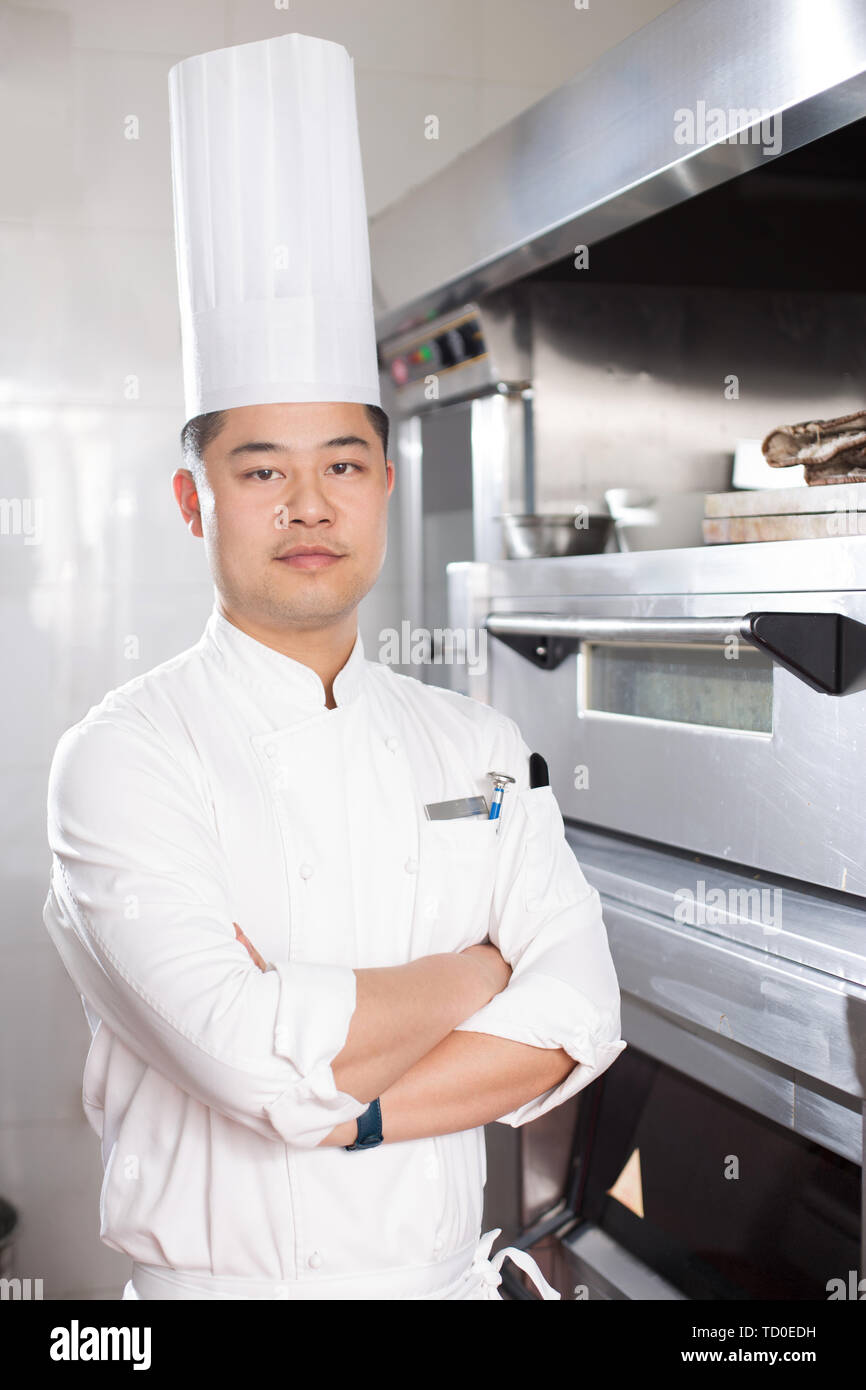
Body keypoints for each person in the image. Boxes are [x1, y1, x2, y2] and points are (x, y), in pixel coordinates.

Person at [41, 32, 626, 1302]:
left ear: (383, 482)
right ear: (195, 502)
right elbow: (251, 1061)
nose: (308, 504)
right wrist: (483, 969)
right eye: (262, 470)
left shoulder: (469, 743)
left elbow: (580, 1017)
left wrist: (345, 1106)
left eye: (341, 465)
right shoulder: (120, 758)